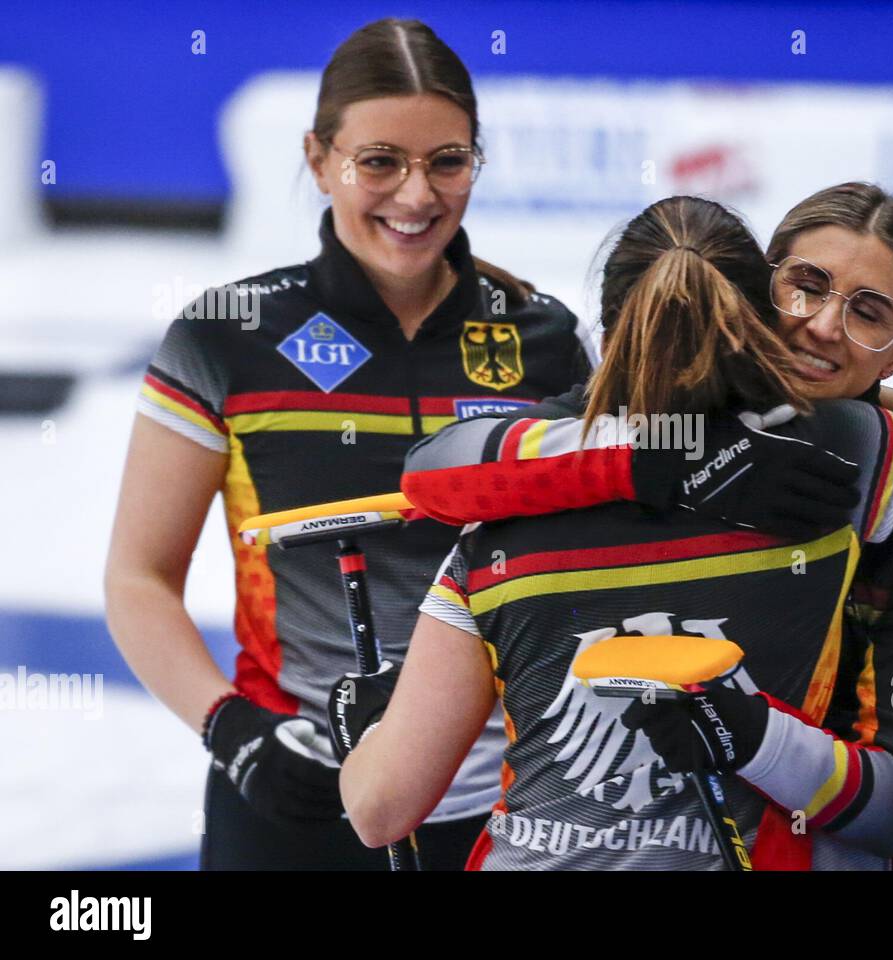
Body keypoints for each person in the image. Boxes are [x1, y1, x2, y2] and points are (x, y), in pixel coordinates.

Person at [334, 195, 893, 869]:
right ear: (755, 302)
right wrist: (676, 458)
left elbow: (379, 806)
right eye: (806, 288)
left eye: (867, 314)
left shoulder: (506, 500)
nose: (822, 326)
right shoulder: (845, 455)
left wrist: (368, 729)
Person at [103, 18, 592, 870]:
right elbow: (138, 576)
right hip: (292, 792)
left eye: (448, 161)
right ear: (318, 157)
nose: (416, 196)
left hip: (513, 811)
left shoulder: (547, 339)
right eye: (380, 162)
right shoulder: (226, 335)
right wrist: (234, 729)